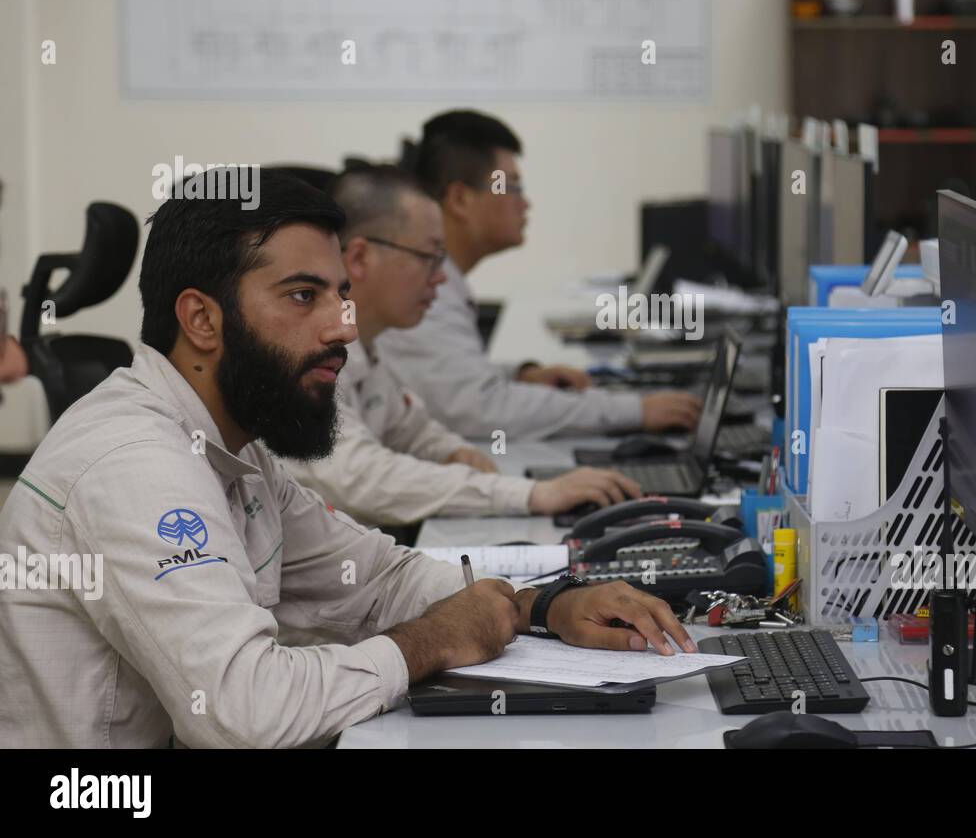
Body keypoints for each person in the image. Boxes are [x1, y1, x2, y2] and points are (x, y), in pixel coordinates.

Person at [0, 170, 694, 748]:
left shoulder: (226, 446)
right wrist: (431, 642)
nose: (342, 326)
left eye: (341, 295)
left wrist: (547, 605)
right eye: (304, 296)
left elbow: (375, 578)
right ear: (201, 320)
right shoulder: (136, 466)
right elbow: (248, 712)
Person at [284, 163, 643, 527]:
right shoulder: (302, 355)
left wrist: (452, 451)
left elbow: (409, 425)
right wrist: (529, 494)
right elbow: (359, 479)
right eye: (429, 257)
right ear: (360, 258)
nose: (441, 277)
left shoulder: (365, 349)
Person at [379, 109, 702, 439]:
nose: (526, 203)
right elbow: (480, 409)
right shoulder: (422, 286)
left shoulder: (440, 279)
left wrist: (519, 376)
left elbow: (451, 384)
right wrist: (633, 411)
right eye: (513, 187)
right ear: (461, 199)